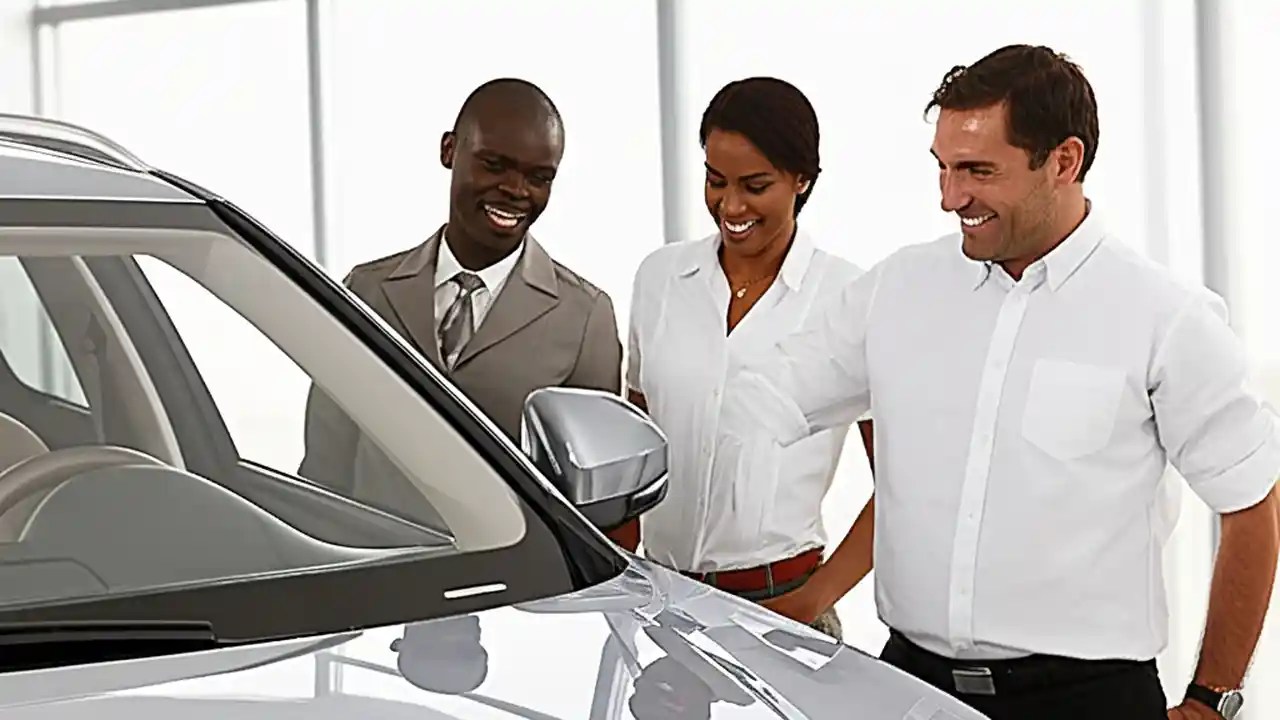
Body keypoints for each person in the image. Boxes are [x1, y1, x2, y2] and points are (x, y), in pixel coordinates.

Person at [719, 45, 1280, 720]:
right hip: (911, 690)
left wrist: (1210, 700)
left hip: (1089, 701)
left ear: (1063, 162)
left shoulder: (1165, 316)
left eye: (978, 171)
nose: (951, 197)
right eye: (944, 168)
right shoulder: (898, 288)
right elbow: (757, 403)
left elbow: (1251, 504)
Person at [298, 78, 623, 520]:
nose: (516, 190)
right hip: (372, 572)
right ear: (449, 150)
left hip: (517, 582)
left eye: (538, 177)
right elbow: (325, 467)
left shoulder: (585, 318)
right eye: (494, 165)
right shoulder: (366, 292)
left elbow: (592, 505)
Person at [622, 77, 873, 640]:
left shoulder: (849, 298)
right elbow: (633, 443)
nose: (730, 206)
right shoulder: (660, 279)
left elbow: (902, 486)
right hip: (658, 605)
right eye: (715, 181)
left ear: (802, 179)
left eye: (755, 185)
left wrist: (812, 601)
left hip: (782, 608)